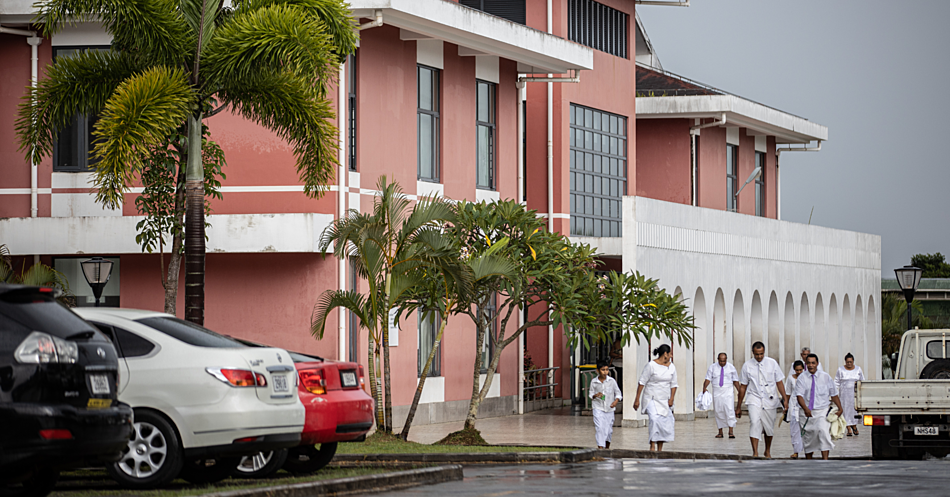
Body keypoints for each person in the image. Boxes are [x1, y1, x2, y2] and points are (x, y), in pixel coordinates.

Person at [736, 341, 788, 458]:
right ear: (753, 353)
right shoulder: (747, 365)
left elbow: (779, 382)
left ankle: (767, 450)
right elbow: (743, 386)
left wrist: (785, 399)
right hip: (754, 398)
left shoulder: (772, 363)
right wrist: (738, 406)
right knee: (754, 422)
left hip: (770, 399)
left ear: (764, 352)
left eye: (761, 354)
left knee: (769, 426)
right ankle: (755, 452)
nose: (759, 356)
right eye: (757, 354)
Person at [796, 353, 844, 460]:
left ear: (817, 363)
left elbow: (834, 394)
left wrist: (840, 408)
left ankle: (825, 460)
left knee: (823, 432)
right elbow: (799, 396)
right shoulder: (801, 378)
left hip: (822, 411)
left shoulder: (825, 377)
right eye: (809, 363)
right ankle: (809, 460)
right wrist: (805, 409)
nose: (811, 365)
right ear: (806, 364)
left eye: (813, 363)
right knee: (808, 438)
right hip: (806, 413)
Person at [634, 344, 677, 452]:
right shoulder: (651, 365)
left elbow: (674, 384)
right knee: (654, 419)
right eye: (670, 353)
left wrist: (672, 398)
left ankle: (660, 448)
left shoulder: (672, 367)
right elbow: (642, 382)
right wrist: (637, 399)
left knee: (664, 422)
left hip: (664, 398)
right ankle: (652, 444)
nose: (671, 356)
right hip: (651, 398)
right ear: (665, 354)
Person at [702, 352, 739, 439]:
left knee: (729, 410)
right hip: (717, 391)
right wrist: (704, 387)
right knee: (718, 411)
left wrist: (739, 391)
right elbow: (708, 378)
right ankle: (720, 431)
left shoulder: (731, 368)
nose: (722, 363)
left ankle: (731, 431)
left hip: (728, 391)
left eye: (724, 361)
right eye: (721, 361)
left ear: (726, 360)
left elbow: (735, 380)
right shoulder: (712, 367)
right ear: (718, 360)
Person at [589, 359, 622, 449]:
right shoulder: (594, 382)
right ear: (598, 370)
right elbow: (591, 394)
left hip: (609, 409)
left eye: (607, 370)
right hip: (598, 407)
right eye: (603, 370)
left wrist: (615, 401)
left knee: (608, 430)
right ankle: (600, 448)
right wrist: (596, 395)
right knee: (600, 428)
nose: (605, 372)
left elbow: (618, 393)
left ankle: (607, 448)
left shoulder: (612, 381)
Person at [834, 353, 866, 436]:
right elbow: (836, 381)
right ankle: (848, 428)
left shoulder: (858, 369)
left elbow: (862, 381)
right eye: (847, 362)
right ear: (845, 362)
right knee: (845, 411)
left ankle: (854, 426)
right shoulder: (840, 369)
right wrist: (835, 392)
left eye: (850, 362)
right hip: (844, 395)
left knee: (854, 411)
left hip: (855, 394)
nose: (849, 363)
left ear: (853, 361)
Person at [784, 360, 806, 458]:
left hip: (805, 405)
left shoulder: (807, 378)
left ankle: (809, 449)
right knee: (794, 430)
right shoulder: (790, 378)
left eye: (801, 370)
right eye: (797, 370)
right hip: (793, 405)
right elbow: (788, 392)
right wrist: (786, 405)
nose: (799, 372)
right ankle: (796, 451)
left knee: (806, 429)